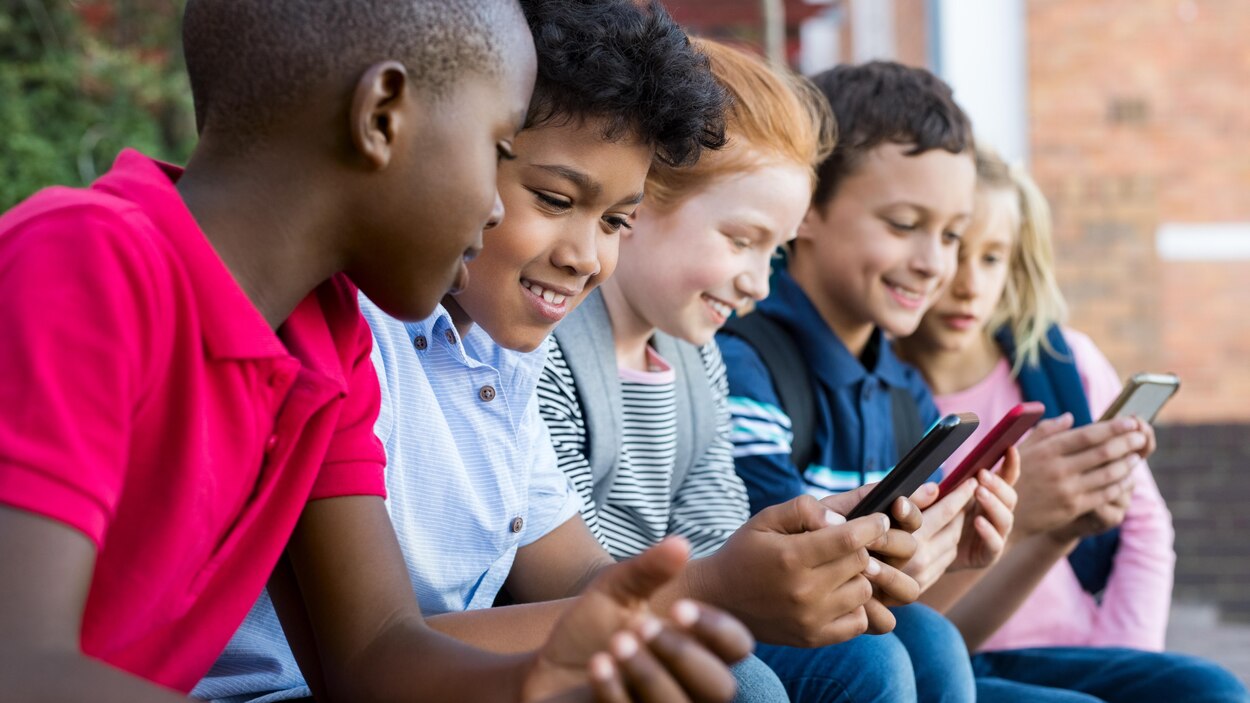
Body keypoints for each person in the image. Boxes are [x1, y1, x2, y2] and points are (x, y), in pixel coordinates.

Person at [0, 1, 750, 701]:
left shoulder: (328, 341)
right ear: (382, 117)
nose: (493, 205)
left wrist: (541, 677)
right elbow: (22, 666)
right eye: (494, 149)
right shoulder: (85, 259)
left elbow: (373, 655)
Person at [536, 42, 955, 702]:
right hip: (580, 619)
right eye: (741, 240)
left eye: (775, 250)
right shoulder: (553, 348)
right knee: (754, 683)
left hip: (678, 601)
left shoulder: (698, 358)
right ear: (638, 203)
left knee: (918, 641)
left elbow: (714, 524)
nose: (760, 283)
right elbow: (558, 570)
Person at [894, 144, 1249, 703]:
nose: (968, 285)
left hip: (1081, 650)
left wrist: (1126, 655)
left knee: (1214, 691)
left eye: (992, 259)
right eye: (955, 250)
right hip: (950, 655)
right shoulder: (883, 394)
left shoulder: (1064, 366)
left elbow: (1144, 528)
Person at [716, 60, 1021, 702]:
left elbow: (909, 613)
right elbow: (789, 576)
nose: (933, 262)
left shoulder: (907, 392)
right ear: (807, 207)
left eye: (953, 235)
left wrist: (955, 557)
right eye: (905, 225)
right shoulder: (742, 358)